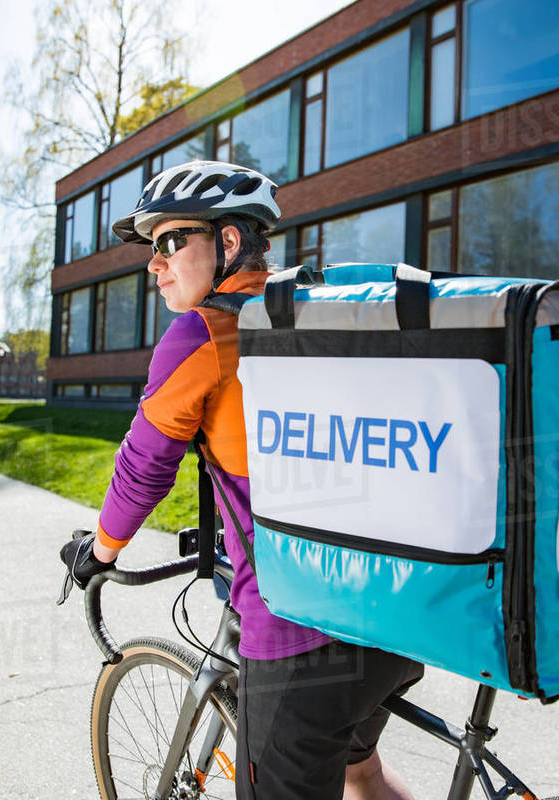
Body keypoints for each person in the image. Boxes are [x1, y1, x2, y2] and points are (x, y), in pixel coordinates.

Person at [60, 161, 422, 800]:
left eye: (172, 241)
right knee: (359, 771)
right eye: (152, 248)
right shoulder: (313, 315)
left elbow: (144, 466)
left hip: (296, 633)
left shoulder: (203, 333)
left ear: (228, 242)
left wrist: (100, 553)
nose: (155, 262)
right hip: (392, 612)